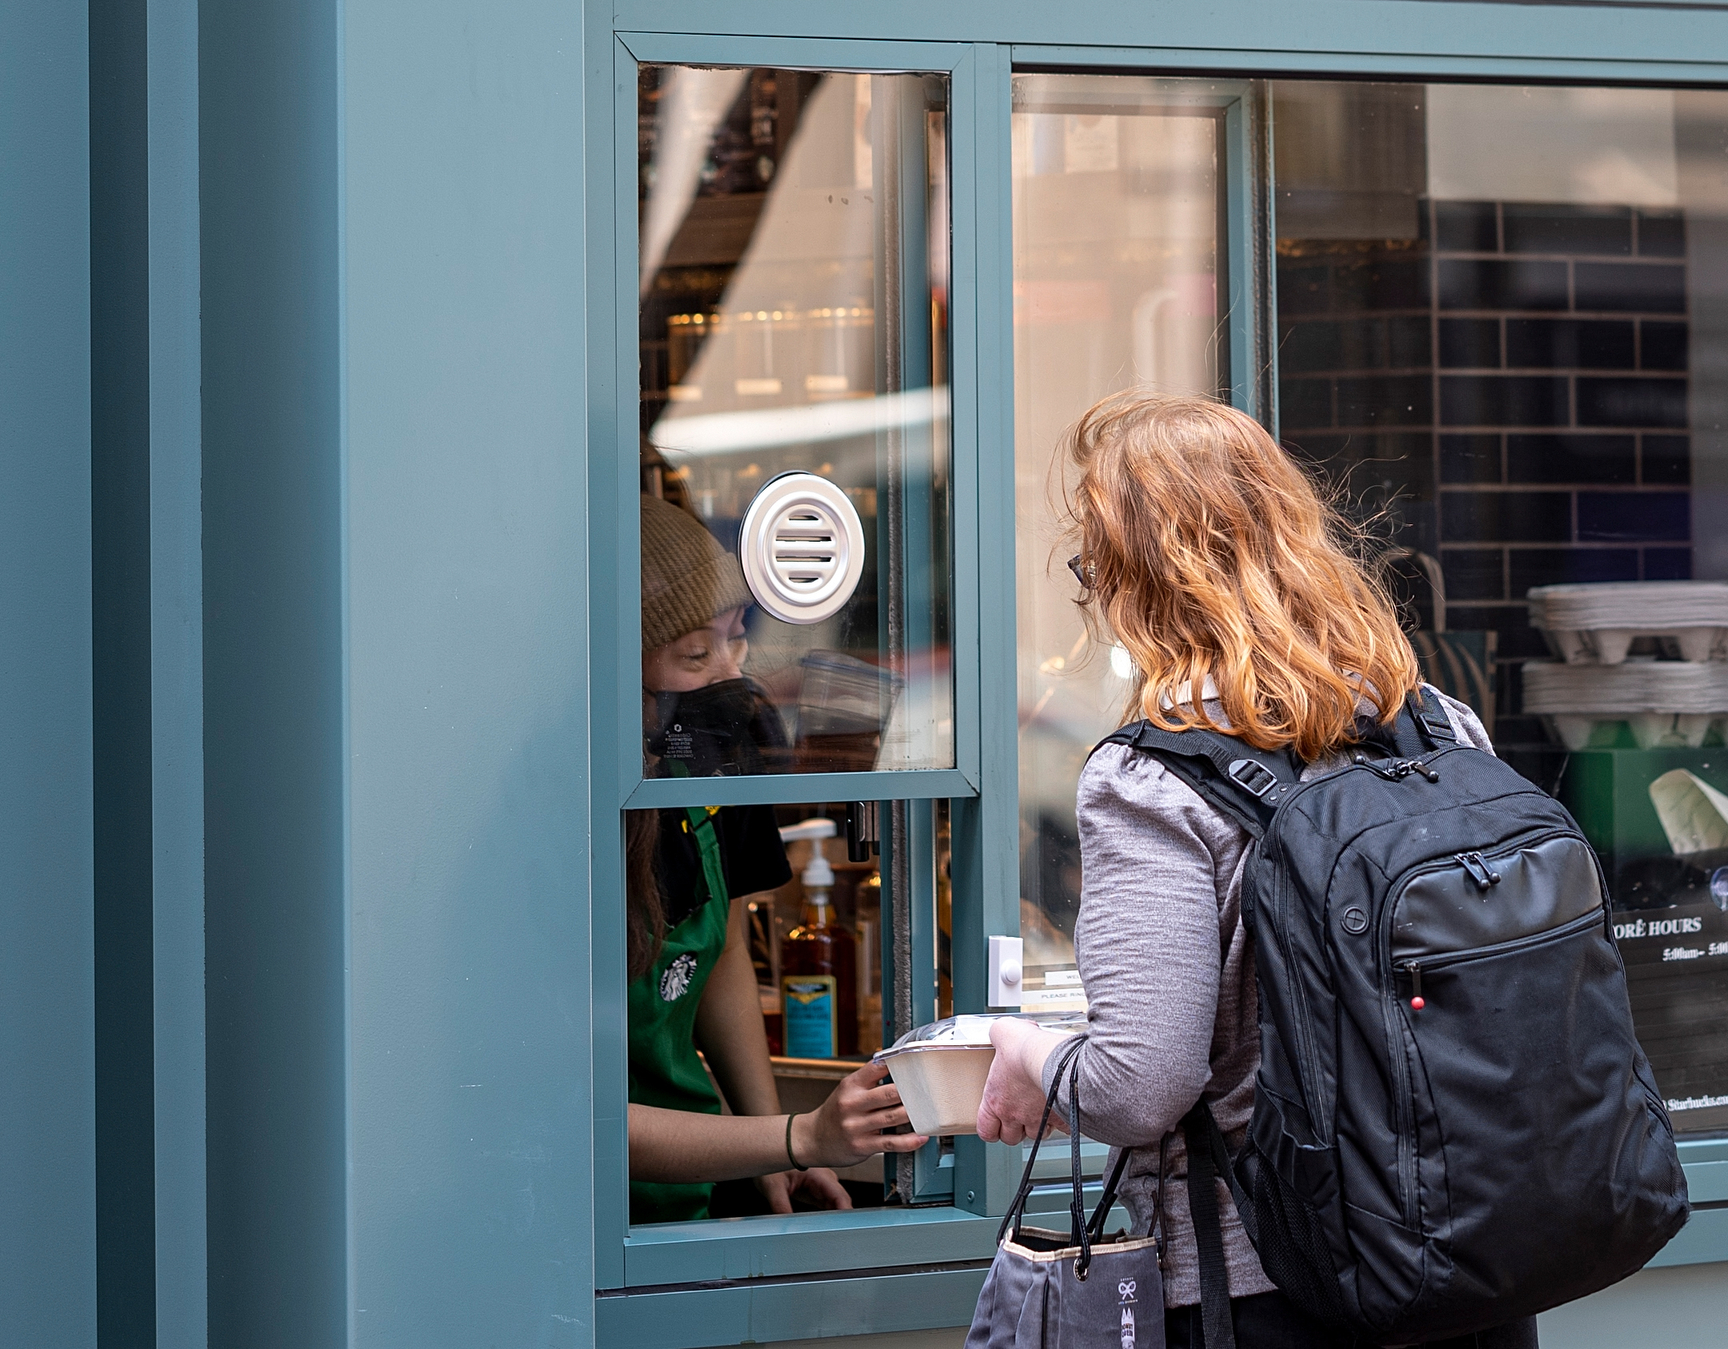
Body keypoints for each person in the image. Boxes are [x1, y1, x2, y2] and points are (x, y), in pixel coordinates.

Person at [970, 395, 1532, 1349]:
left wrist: (1024, 1054)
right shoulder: (1436, 725)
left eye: (1091, 569)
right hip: (1474, 1256)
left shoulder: (1152, 776)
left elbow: (1142, 1083)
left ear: (1135, 582)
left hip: (1277, 1283)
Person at [625, 488, 921, 1216]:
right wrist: (796, 1138)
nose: (731, 674)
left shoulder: (705, 777)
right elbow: (579, 1121)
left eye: (737, 637)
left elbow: (724, 948)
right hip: (585, 1215)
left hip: (691, 1190)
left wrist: (772, 1162)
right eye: (696, 654)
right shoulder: (557, 829)